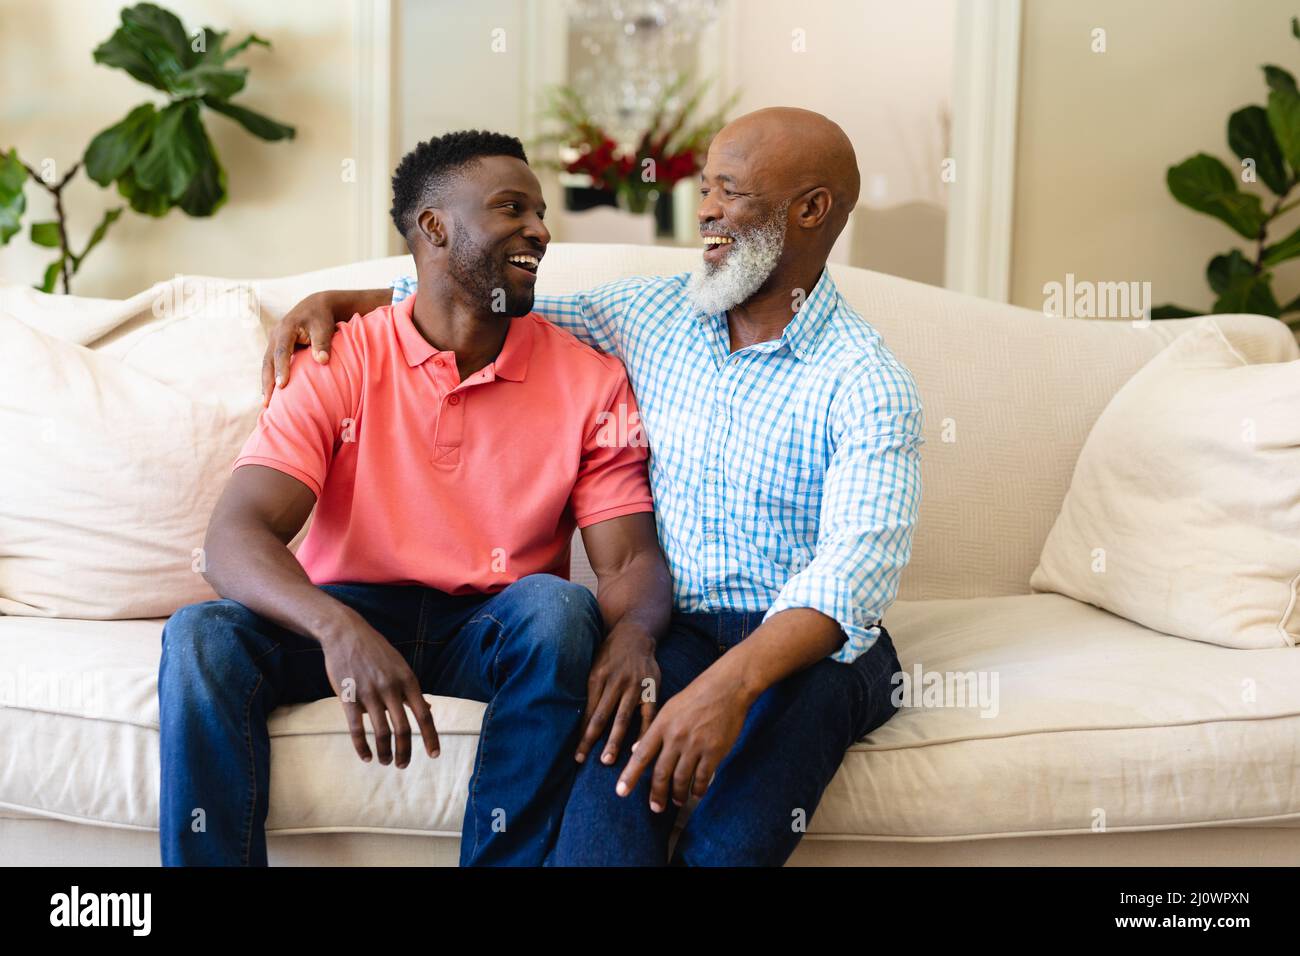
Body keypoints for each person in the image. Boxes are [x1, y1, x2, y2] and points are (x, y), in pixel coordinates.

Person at [262, 108, 923, 866]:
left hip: (815, 651)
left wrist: (725, 691)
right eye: (705, 188)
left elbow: (851, 580)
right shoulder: (653, 313)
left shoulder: (868, 383)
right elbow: (484, 305)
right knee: (598, 845)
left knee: (732, 841)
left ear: (811, 209)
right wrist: (349, 302)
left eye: (730, 192)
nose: (704, 209)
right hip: (678, 633)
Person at [159, 130, 672, 866]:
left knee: (560, 610)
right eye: (511, 208)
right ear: (433, 227)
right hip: (348, 610)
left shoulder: (590, 378)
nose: (540, 229)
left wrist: (635, 636)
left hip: (487, 629)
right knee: (201, 636)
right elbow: (234, 537)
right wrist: (337, 629)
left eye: (540, 212)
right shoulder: (340, 357)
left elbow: (627, 564)